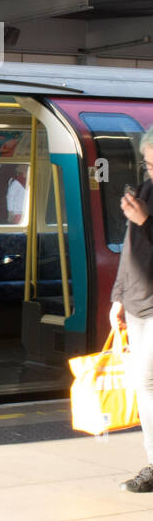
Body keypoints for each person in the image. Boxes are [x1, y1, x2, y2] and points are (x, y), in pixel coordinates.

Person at [109, 128, 153, 492]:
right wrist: (119, 297)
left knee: (147, 382)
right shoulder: (146, 190)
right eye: (147, 163)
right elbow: (130, 247)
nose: (150, 171)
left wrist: (146, 221)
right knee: (145, 385)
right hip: (138, 302)